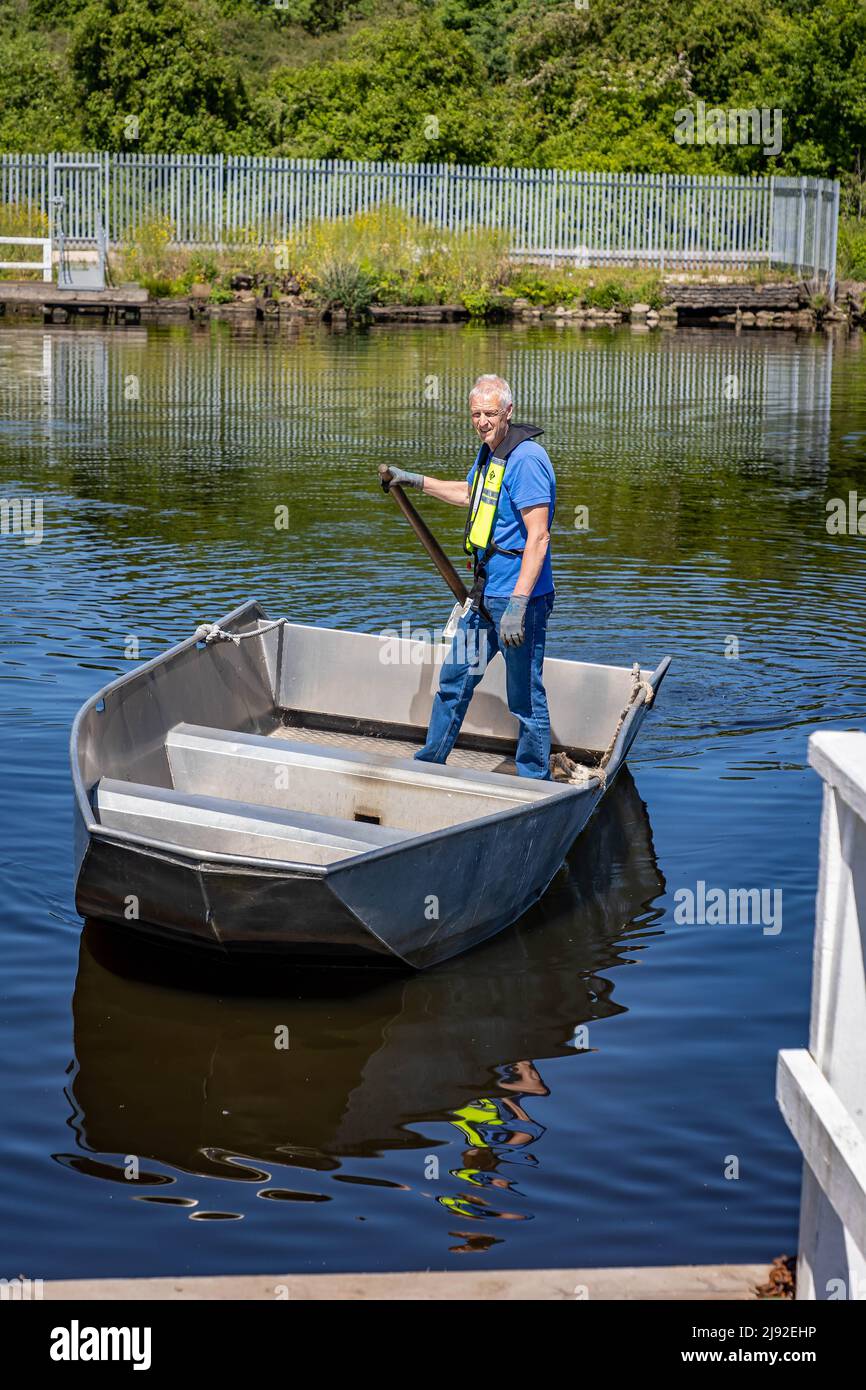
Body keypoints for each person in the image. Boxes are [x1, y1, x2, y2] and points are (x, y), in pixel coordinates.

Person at [383, 373, 556, 779]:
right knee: (454, 680)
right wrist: (414, 480)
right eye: (476, 413)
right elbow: (468, 494)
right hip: (484, 596)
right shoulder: (489, 453)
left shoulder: (527, 460)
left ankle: (535, 781)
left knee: (524, 696)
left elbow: (539, 537)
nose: (482, 421)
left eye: (490, 413)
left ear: (508, 412)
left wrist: (517, 604)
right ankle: (429, 765)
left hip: (519, 600)